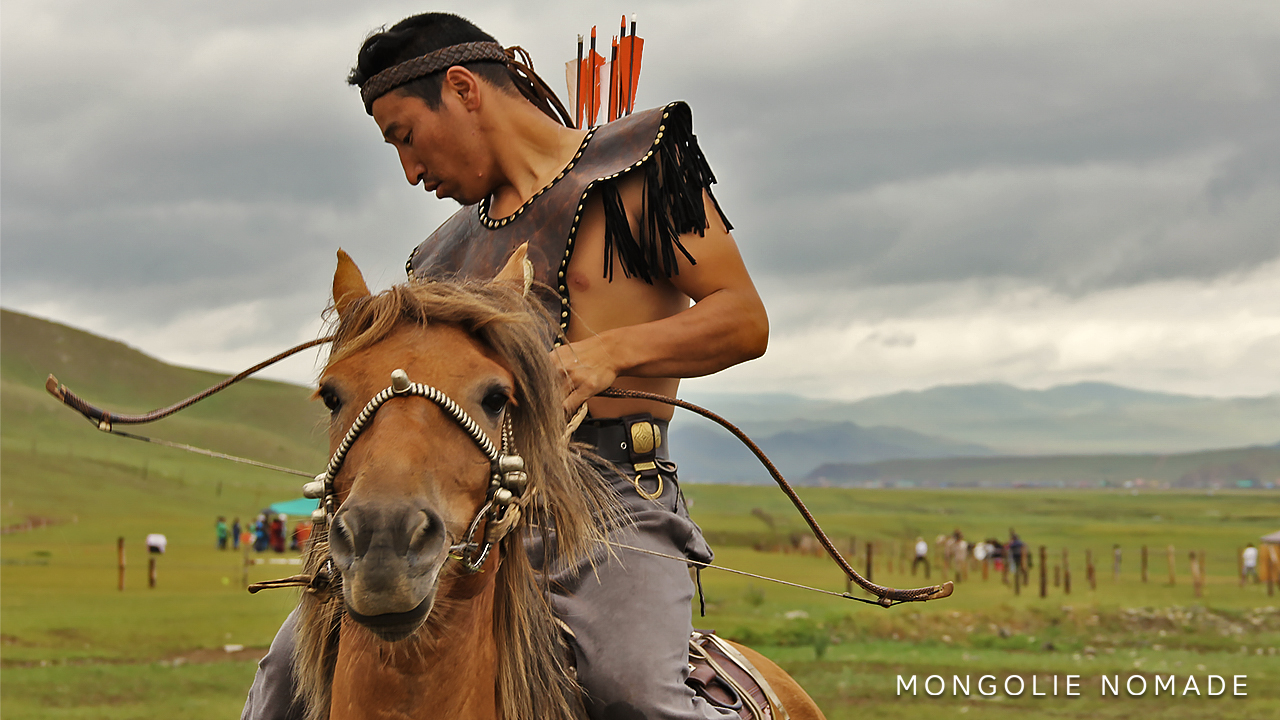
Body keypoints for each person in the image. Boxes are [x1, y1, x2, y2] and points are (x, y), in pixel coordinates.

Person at [242, 13, 767, 720]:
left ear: (461, 89)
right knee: (283, 684)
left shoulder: (638, 170)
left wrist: (606, 354)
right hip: (477, 511)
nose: (410, 171)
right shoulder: (439, 256)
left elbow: (743, 318)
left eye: (405, 136)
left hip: (614, 507)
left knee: (636, 694)